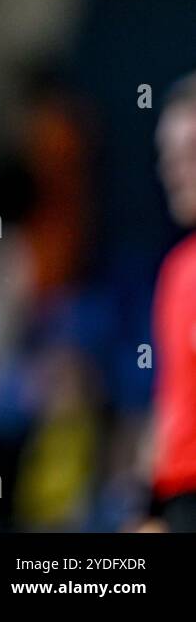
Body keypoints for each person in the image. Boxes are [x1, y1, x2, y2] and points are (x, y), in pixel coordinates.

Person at [145, 73, 196, 531]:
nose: (174, 168)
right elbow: (169, 411)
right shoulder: (178, 272)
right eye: (169, 154)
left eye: (191, 153)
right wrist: (150, 512)